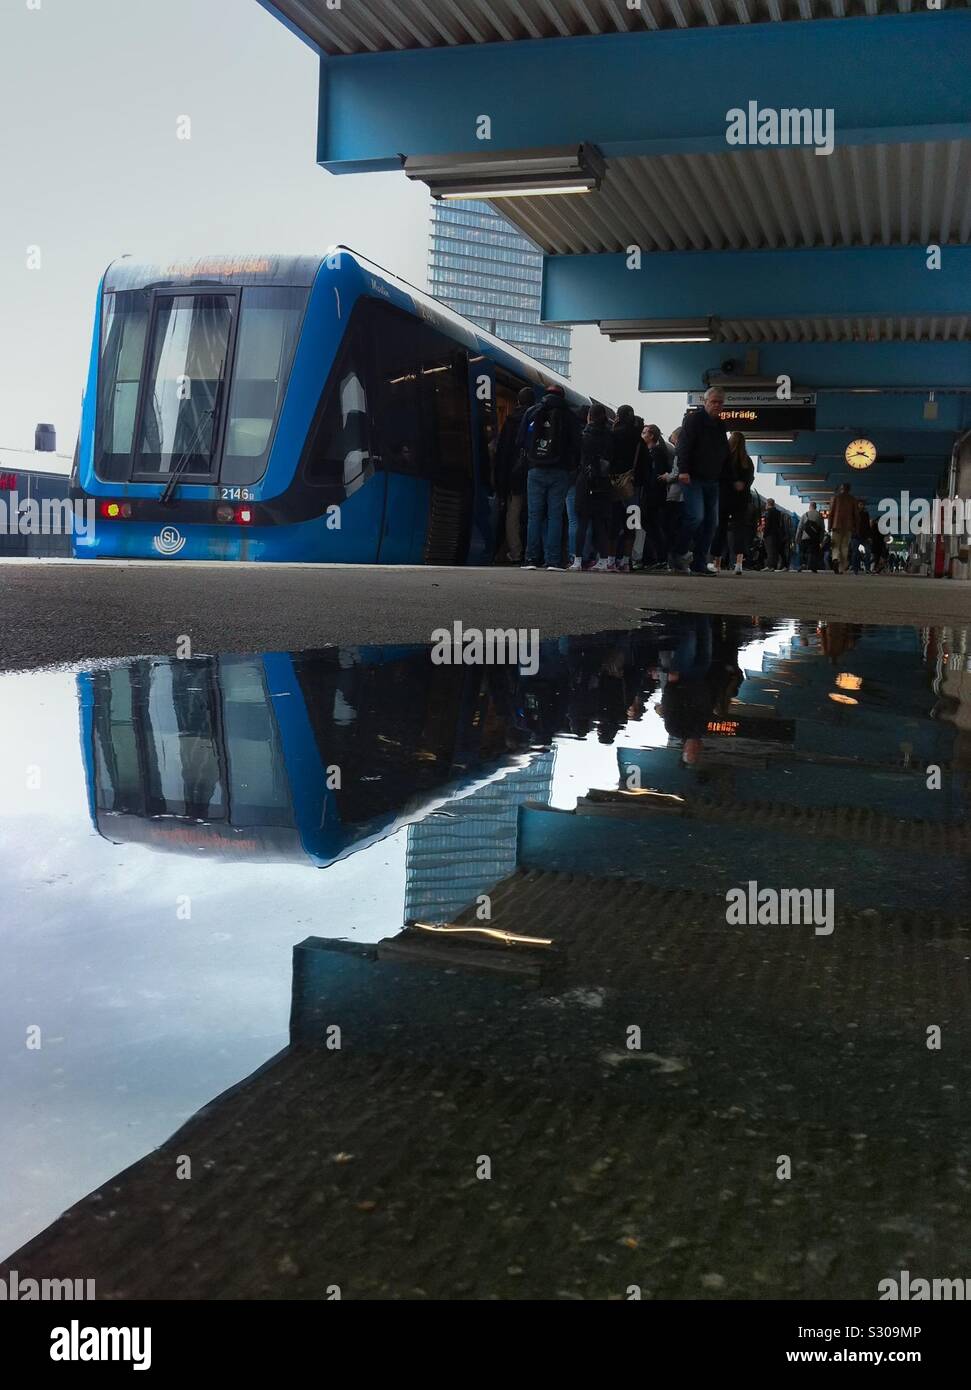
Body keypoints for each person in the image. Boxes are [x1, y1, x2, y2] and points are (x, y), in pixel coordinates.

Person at [517, 383, 581, 570]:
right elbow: (577, 445)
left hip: (535, 469)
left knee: (534, 516)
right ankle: (553, 560)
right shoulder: (569, 415)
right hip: (560, 471)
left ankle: (530, 559)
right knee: (555, 516)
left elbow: (520, 440)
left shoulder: (532, 411)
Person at [671, 387, 730, 575]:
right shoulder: (693, 420)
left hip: (712, 479)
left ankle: (699, 562)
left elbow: (724, 453)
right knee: (696, 517)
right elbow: (684, 445)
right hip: (692, 477)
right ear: (705, 402)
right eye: (714, 402)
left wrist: (730, 476)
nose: (717, 405)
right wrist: (683, 470)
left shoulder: (721, 426)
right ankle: (678, 552)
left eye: (720, 402)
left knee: (711, 523)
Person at [571, 403, 615, 571]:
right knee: (600, 523)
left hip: (586, 481)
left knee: (582, 523)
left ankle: (577, 560)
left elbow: (578, 456)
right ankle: (603, 561)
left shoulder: (585, 435)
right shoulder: (610, 436)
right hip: (604, 482)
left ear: (589, 416)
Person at [493, 387, 534, 564]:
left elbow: (502, 453)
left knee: (513, 515)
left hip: (515, 476)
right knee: (536, 514)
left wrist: (501, 481)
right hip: (535, 473)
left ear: (517, 401)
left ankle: (516, 553)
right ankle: (534, 553)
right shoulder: (538, 418)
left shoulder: (510, 422)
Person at [608, 405, 642, 573]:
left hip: (615, 485)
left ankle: (611, 560)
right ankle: (626, 562)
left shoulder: (613, 435)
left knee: (614, 522)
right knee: (632, 523)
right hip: (633, 487)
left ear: (618, 416)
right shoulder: (638, 438)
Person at [634, 424, 670, 570]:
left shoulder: (655, 452)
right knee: (650, 526)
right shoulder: (657, 451)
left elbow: (654, 475)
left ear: (651, 436)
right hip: (654, 495)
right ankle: (655, 557)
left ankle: (656, 558)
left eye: (644, 433)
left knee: (650, 526)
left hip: (652, 496)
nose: (642, 435)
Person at [724, 431, 754, 574]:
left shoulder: (726, 459)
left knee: (720, 528)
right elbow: (750, 480)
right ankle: (738, 563)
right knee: (739, 531)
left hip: (726, 497)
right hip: (742, 500)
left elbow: (722, 477)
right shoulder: (747, 461)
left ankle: (716, 562)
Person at [829, 482, 858, 575]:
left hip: (836, 526)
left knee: (835, 545)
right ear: (849, 489)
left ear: (841, 488)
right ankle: (841, 568)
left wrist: (829, 526)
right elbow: (856, 515)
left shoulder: (836, 498)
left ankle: (835, 559)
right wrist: (856, 527)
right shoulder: (853, 499)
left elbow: (831, 513)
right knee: (844, 546)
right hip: (848, 527)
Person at [796, 501, 824, 572]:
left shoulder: (804, 515)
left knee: (803, 552)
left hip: (805, 538)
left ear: (809, 506)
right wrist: (821, 539)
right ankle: (813, 567)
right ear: (816, 507)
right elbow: (822, 529)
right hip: (815, 538)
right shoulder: (820, 515)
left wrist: (797, 538)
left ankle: (803, 564)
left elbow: (799, 528)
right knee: (814, 552)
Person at [761, 498, 785, 570]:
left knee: (769, 550)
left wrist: (764, 533)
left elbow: (767, 524)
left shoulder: (768, 512)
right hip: (777, 534)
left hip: (769, 534)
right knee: (774, 550)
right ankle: (773, 566)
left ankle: (769, 566)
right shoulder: (778, 512)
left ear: (768, 504)